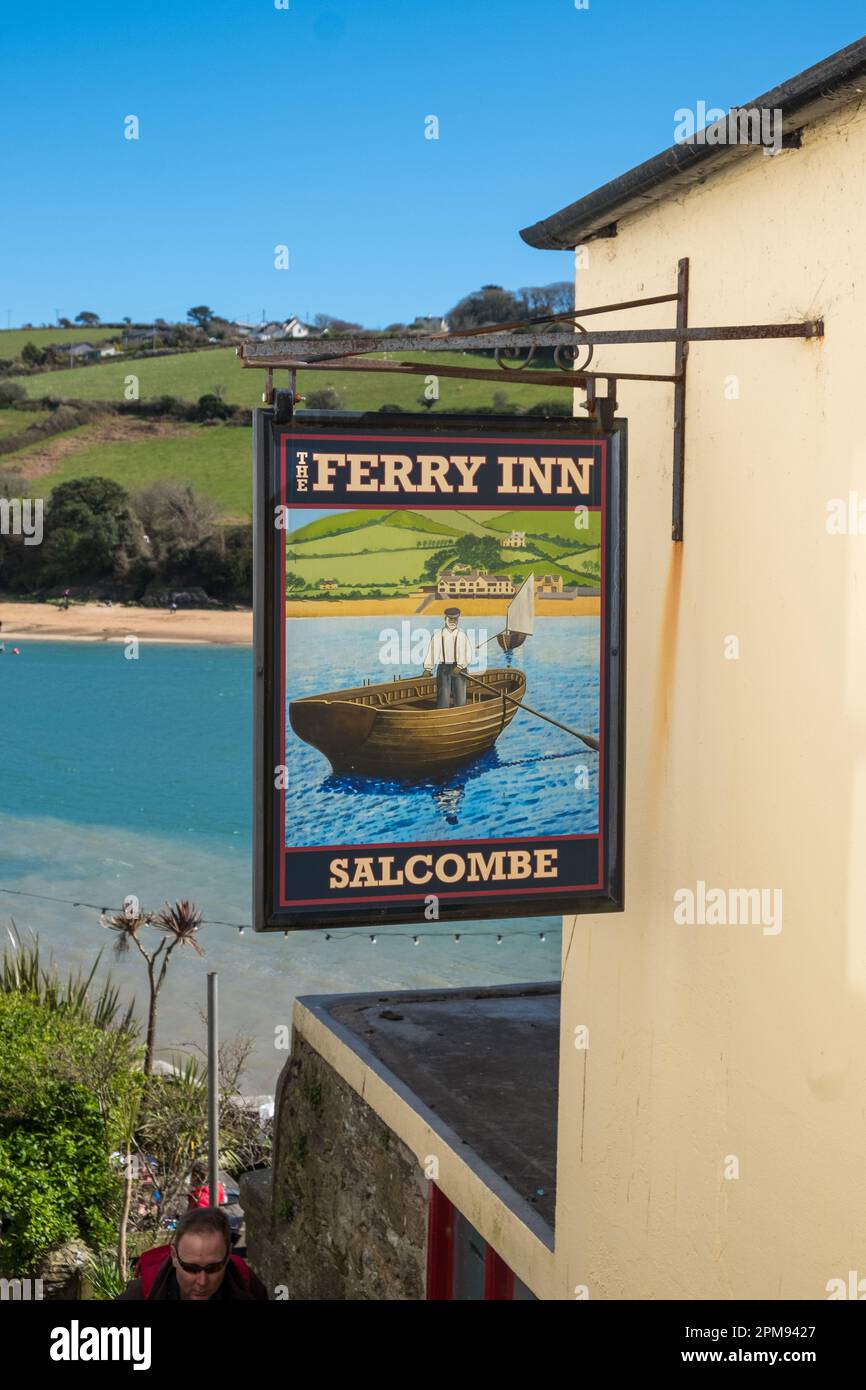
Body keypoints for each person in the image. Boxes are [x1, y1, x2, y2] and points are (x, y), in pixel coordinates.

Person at [115, 1206, 267, 1301]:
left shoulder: (247, 1285)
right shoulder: (138, 1296)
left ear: (227, 1258)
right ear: (174, 1256)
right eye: (191, 1268)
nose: (202, 1282)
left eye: (213, 1268)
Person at [423, 606, 474, 709]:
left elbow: (467, 653)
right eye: (450, 619)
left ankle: (460, 716)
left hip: (460, 669)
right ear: (445, 619)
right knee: (443, 698)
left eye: (455, 619)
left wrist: (460, 666)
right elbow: (432, 653)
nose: (453, 621)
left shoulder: (462, 635)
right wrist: (428, 668)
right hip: (443, 669)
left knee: (460, 699)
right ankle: (442, 715)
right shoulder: (438, 635)